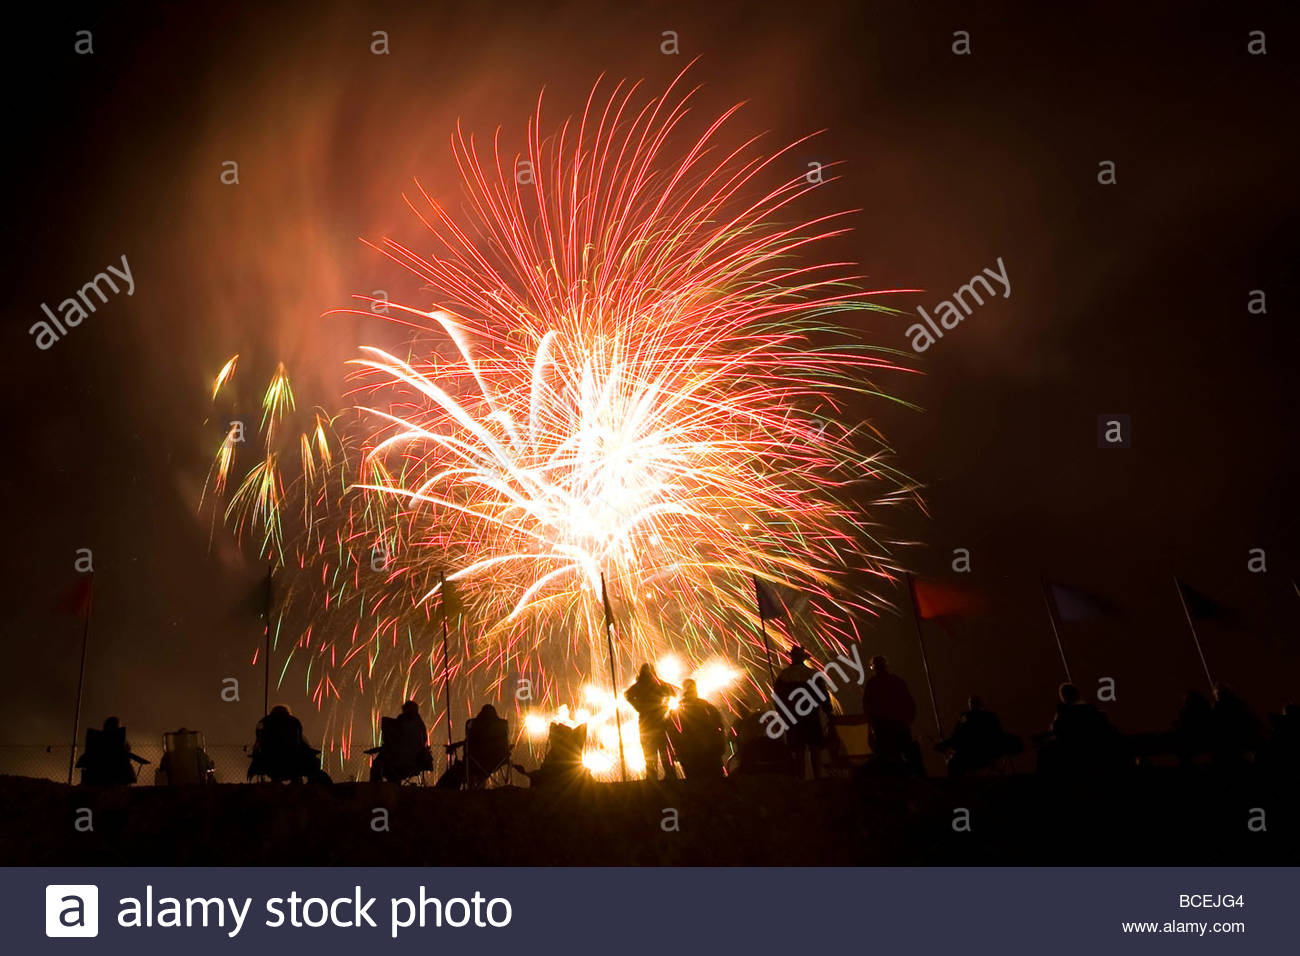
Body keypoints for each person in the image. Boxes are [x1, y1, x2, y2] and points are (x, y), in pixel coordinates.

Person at [773, 645, 832, 778]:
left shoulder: (784, 676)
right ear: (803, 658)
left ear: (792, 658)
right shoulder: (813, 674)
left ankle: (801, 779)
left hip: (793, 718)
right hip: (812, 716)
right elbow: (823, 695)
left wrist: (781, 715)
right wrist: (828, 711)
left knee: (798, 750)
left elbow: (778, 698)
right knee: (815, 748)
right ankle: (818, 777)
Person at [1039, 683, 1119, 774]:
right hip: (1097, 761)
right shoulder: (1094, 712)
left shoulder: (1064, 716)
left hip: (1074, 762)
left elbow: (1057, 732)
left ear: (1063, 697)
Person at [862, 655, 921, 774]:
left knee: (888, 757)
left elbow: (867, 707)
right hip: (899, 724)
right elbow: (909, 703)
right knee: (907, 755)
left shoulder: (872, 684)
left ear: (873, 667)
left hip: (883, 727)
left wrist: (872, 724)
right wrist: (908, 720)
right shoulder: (897, 681)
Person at [936, 696, 1020, 776]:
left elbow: (958, 736)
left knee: (953, 764)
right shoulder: (991, 716)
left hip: (972, 755)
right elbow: (999, 733)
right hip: (992, 754)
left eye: (971, 702)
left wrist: (945, 744)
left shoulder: (966, 717)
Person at [248, 704, 331, 783]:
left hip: (269, 758)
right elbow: (299, 741)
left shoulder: (263, 722)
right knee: (313, 762)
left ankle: (276, 780)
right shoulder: (294, 722)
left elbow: (258, 740)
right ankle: (299, 780)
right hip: (293, 758)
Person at [438, 704, 510, 789]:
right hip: (497, 761)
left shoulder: (476, 726)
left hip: (475, 761)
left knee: (457, 770)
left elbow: (468, 742)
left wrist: (454, 746)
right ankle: (479, 785)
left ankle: (465, 787)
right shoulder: (501, 726)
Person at [625, 663, 676, 781]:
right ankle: (669, 775)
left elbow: (627, 695)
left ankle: (653, 776)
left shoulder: (640, 685)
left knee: (650, 751)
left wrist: (639, 707)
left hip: (647, 723)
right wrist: (664, 705)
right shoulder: (659, 684)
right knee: (661, 750)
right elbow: (674, 692)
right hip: (659, 722)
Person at [668, 680, 725, 779]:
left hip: (690, 757)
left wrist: (676, 752)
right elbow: (719, 728)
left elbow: (672, 734)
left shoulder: (676, 712)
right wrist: (720, 747)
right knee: (718, 786)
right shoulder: (709, 708)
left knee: (696, 787)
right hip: (711, 755)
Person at [368, 700, 434, 783]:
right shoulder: (420, 725)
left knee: (378, 764)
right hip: (415, 762)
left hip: (399, 762)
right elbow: (423, 741)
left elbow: (396, 741)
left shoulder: (402, 722)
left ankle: (375, 790)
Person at [77, 717, 149, 786]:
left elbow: (83, 760)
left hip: (96, 775)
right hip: (118, 775)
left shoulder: (96, 739)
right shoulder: (121, 741)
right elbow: (126, 754)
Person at [1209, 683, 1261, 766]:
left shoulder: (1219, 707)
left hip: (1231, 745)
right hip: (1240, 744)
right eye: (1216, 694)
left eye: (1218, 693)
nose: (1217, 695)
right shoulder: (1239, 704)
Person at [1173, 689, 1214, 765]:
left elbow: (1183, 726)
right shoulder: (1206, 709)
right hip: (1207, 741)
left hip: (1190, 742)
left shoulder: (1185, 711)